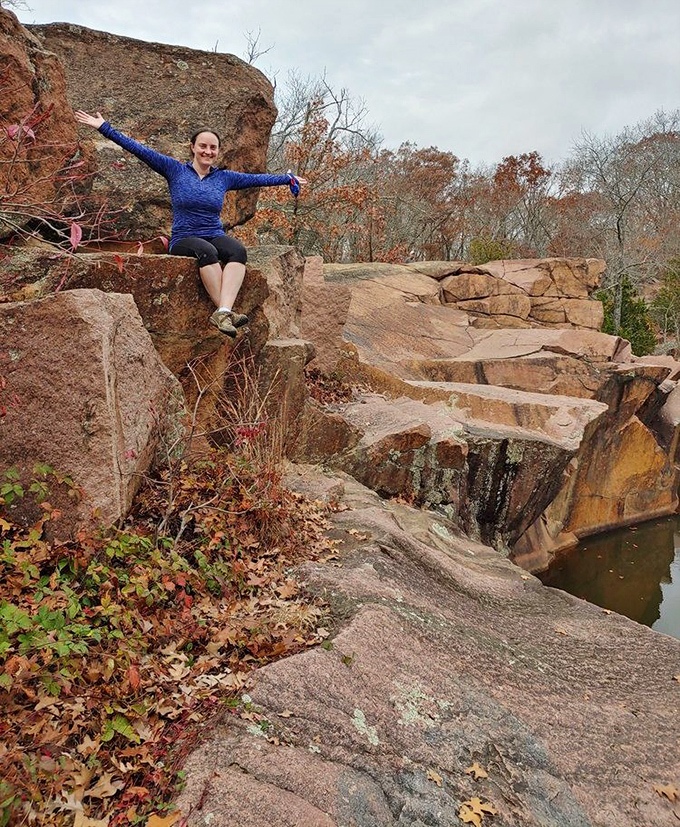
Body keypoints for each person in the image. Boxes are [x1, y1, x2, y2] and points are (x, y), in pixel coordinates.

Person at [74, 110, 305, 337]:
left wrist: (288, 179)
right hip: (184, 238)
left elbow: (257, 179)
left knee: (237, 251)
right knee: (208, 251)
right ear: (193, 147)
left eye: (213, 147)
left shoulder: (223, 178)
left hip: (213, 232)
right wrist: (105, 128)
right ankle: (225, 312)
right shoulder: (175, 170)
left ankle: (223, 311)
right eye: (203, 146)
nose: (208, 151)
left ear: (217, 151)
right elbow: (139, 150)